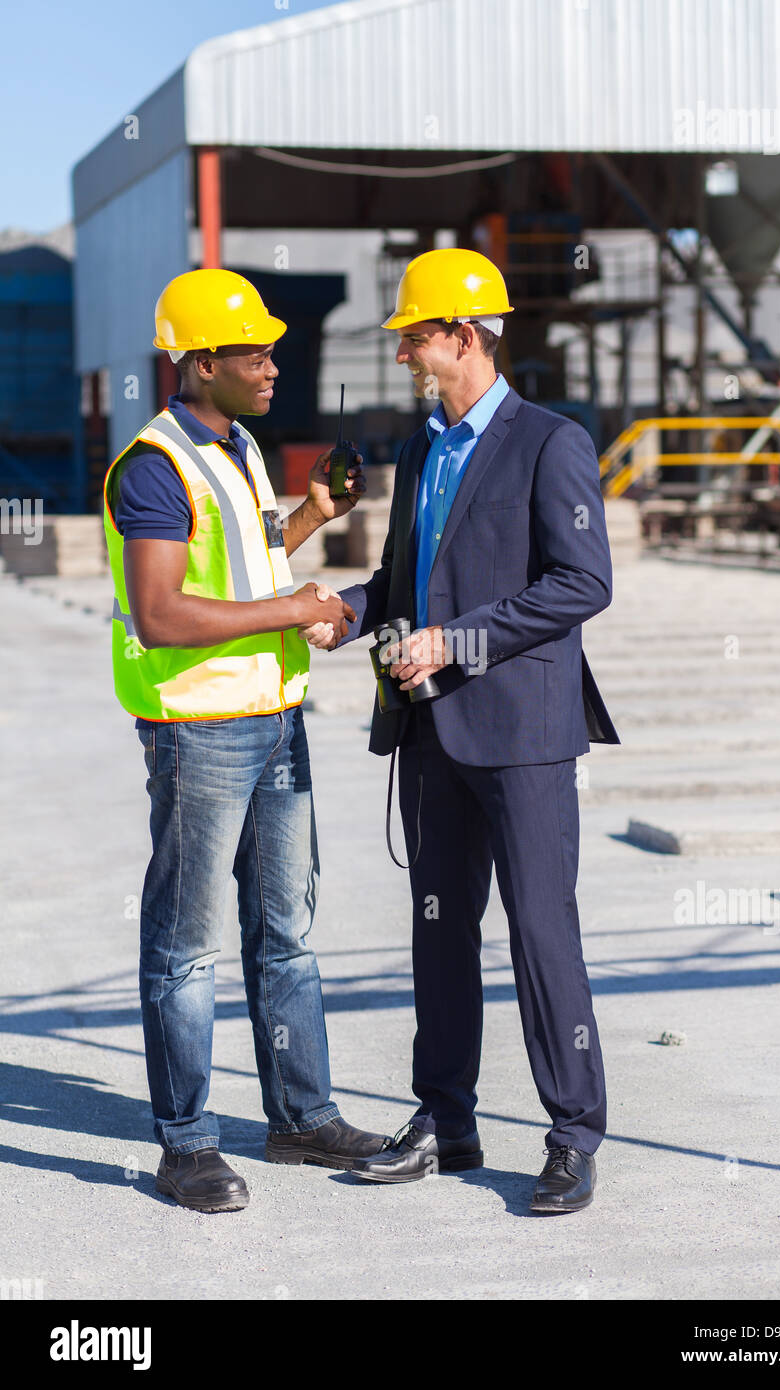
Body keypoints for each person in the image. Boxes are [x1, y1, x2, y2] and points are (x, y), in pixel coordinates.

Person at [304, 248, 620, 1213]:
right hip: (435, 733)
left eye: (415, 337)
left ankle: (572, 1135)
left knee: (539, 931)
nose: (404, 354)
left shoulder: (549, 442)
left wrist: (455, 642)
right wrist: (349, 612)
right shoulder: (421, 450)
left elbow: (583, 583)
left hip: (522, 730)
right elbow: (408, 585)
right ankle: (447, 1120)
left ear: (466, 337)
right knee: (438, 936)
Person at [102, 268, 387, 1213]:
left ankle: (301, 1118)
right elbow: (163, 610)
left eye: (272, 349)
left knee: (287, 936)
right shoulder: (154, 465)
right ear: (198, 362)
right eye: (253, 352)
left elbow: (251, 548)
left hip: (274, 725)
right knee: (187, 948)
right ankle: (186, 1146)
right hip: (199, 735)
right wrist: (296, 606)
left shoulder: (240, 446)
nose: (273, 365)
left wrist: (313, 516)